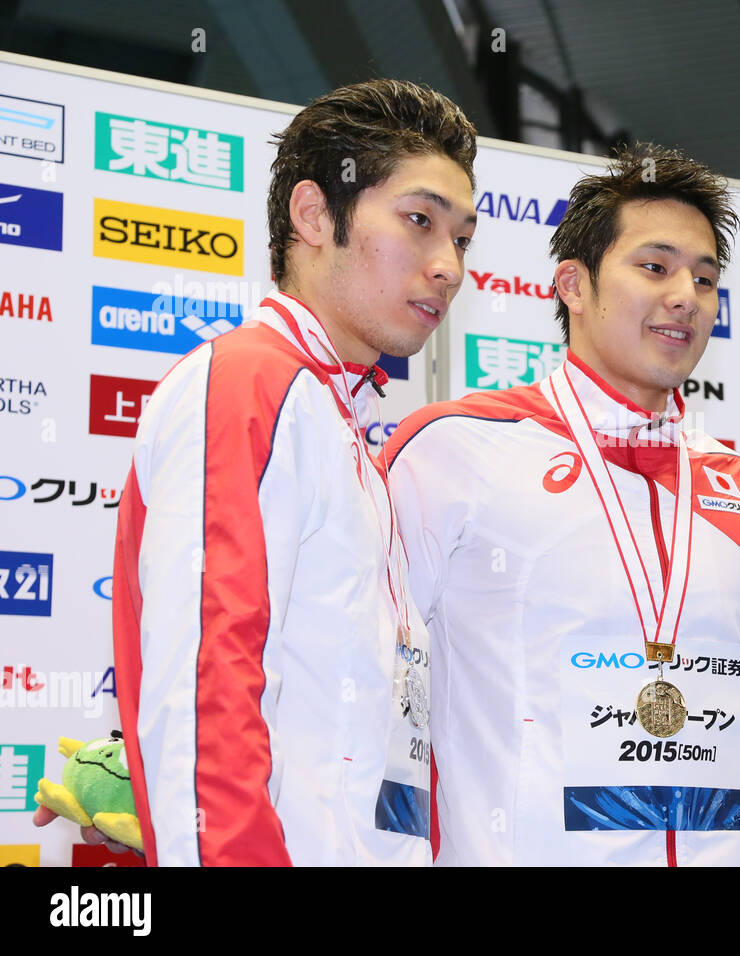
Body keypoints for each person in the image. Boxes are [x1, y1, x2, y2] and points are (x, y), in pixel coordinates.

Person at [36, 79, 479, 865]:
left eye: (462, 238)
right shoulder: (251, 382)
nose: (447, 266)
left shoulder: (338, 421)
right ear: (314, 215)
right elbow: (208, 688)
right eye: (419, 221)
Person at [383, 144, 740, 865]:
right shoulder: (458, 447)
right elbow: (376, 683)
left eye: (705, 277)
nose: (686, 294)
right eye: (655, 267)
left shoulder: (731, 480)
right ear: (574, 285)